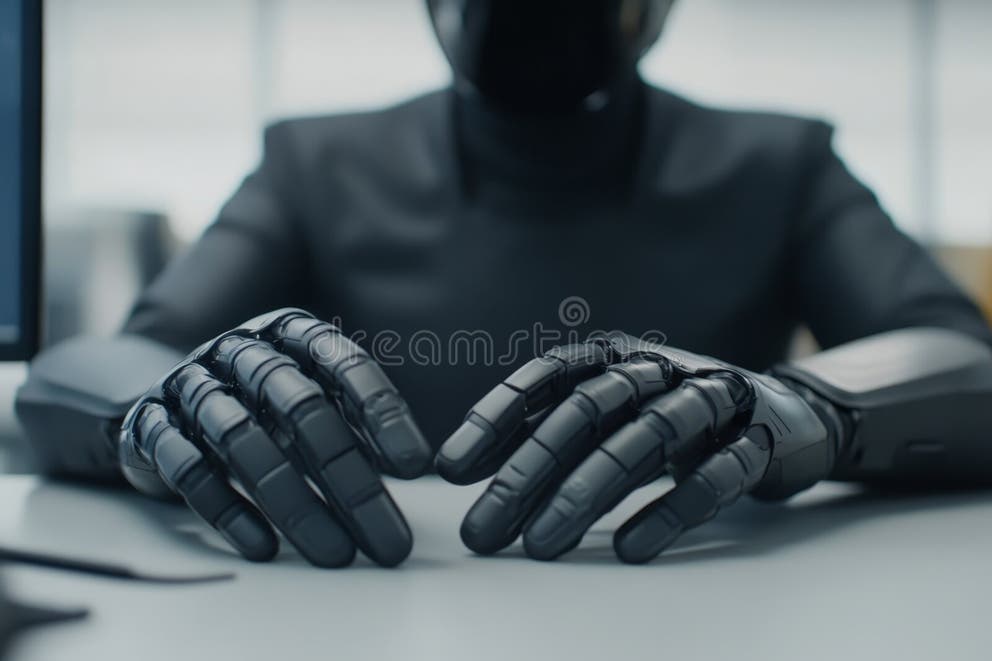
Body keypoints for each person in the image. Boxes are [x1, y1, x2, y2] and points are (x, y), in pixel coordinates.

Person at [16, 0, 992, 567]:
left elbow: (960, 361)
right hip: (381, 619)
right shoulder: (319, 165)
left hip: (690, 609)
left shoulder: (776, 165)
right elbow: (118, 358)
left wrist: (807, 408)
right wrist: (154, 408)